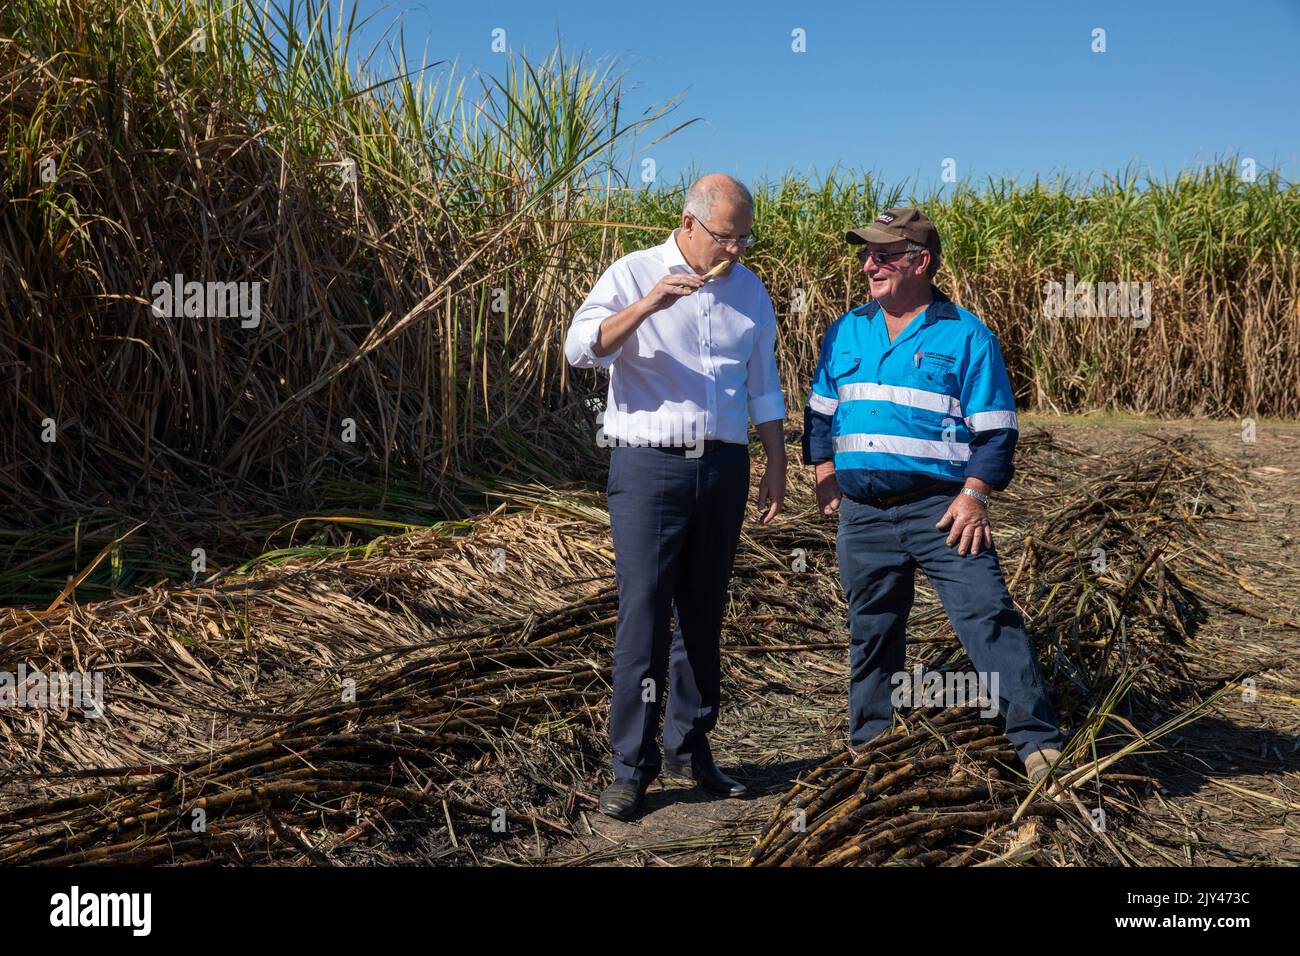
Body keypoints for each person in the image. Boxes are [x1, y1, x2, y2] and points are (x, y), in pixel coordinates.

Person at [802, 207, 1069, 783]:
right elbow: (820, 410)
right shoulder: (847, 328)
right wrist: (823, 467)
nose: (869, 265)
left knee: (986, 617)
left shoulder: (967, 335)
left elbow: (996, 428)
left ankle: (1036, 741)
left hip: (943, 509)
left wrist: (975, 494)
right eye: (866, 254)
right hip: (864, 513)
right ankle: (870, 745)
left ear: (919, 262)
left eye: (884, 255)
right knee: (872, 625)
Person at [565, 173, 787, 819]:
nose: (737, 250)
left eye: (745, 237)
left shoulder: (749, 289)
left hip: (722, 467)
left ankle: (691, 747)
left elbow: (763, 380)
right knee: (643, 611)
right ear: (688, 223)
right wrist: (648, 307)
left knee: (703, 610)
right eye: (726, 236)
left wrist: (774, 459)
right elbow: (579, 348)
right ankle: (631, 766)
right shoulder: (633, 273)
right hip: (648, 468)